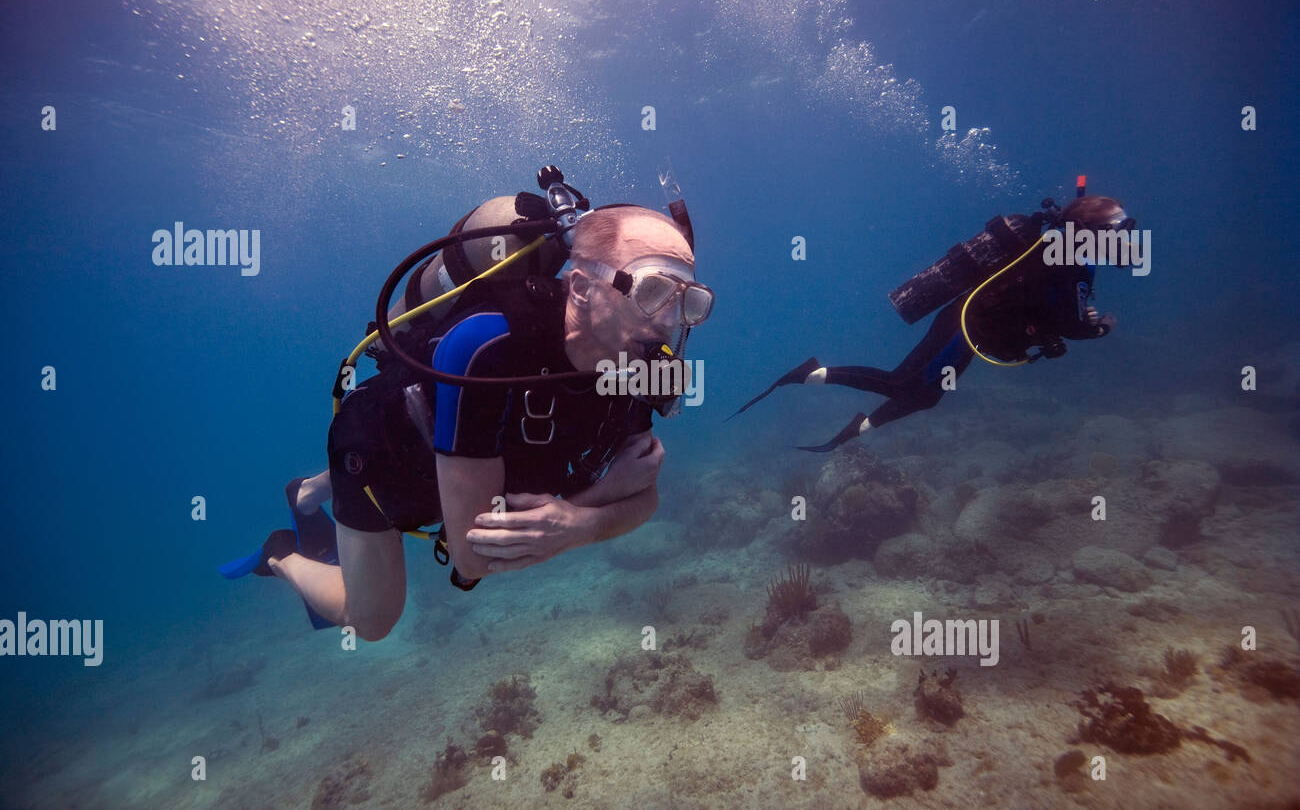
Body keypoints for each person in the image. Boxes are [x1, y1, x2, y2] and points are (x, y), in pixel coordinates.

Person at [222, 198, 712, 640]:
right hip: (381, 456)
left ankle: (307, 491)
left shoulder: (642, 364)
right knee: (371, 621)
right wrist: (585, 513)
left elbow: (645, 494)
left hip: (466, 446)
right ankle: (279, 554)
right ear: (581, 288)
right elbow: (473, 556)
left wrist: (577, 525)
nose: (670, 322)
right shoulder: (484, 345)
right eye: (652, 291)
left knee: (469, 440)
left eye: (689, 301)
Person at [731, 194, 1132, 451]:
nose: (1128, 238)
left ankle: (856, 426)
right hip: (967, 327)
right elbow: (1071, 324)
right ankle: (810, 375)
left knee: (926, 395)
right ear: (1091, 232)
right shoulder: (1074, 265)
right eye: (1121, 230)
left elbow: (1050, 310)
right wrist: (1102, 326)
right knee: (901, 383)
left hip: (969, 324)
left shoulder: (1055, 247)